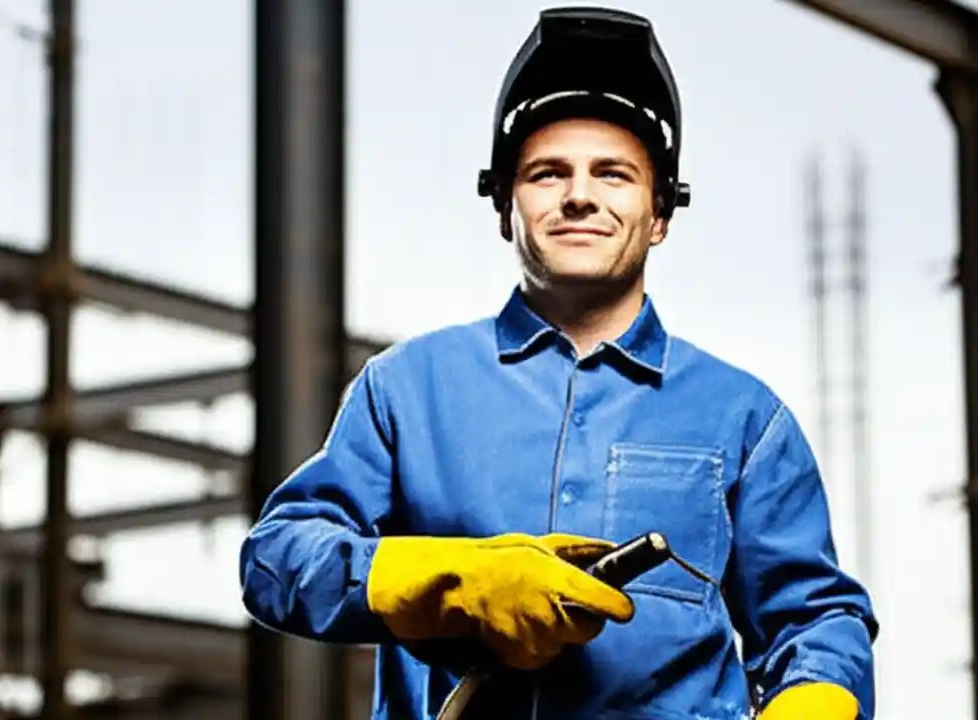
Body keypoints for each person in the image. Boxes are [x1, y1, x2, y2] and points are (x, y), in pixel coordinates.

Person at [238, 7, 877, 719]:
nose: (579, 195)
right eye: (547, 173)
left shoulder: (745, 419)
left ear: (660, 213)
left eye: (613, 174)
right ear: (504, 207)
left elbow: (816, 619)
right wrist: (453, 582)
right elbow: (277, 562)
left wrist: (815, 702)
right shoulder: (405, 390)